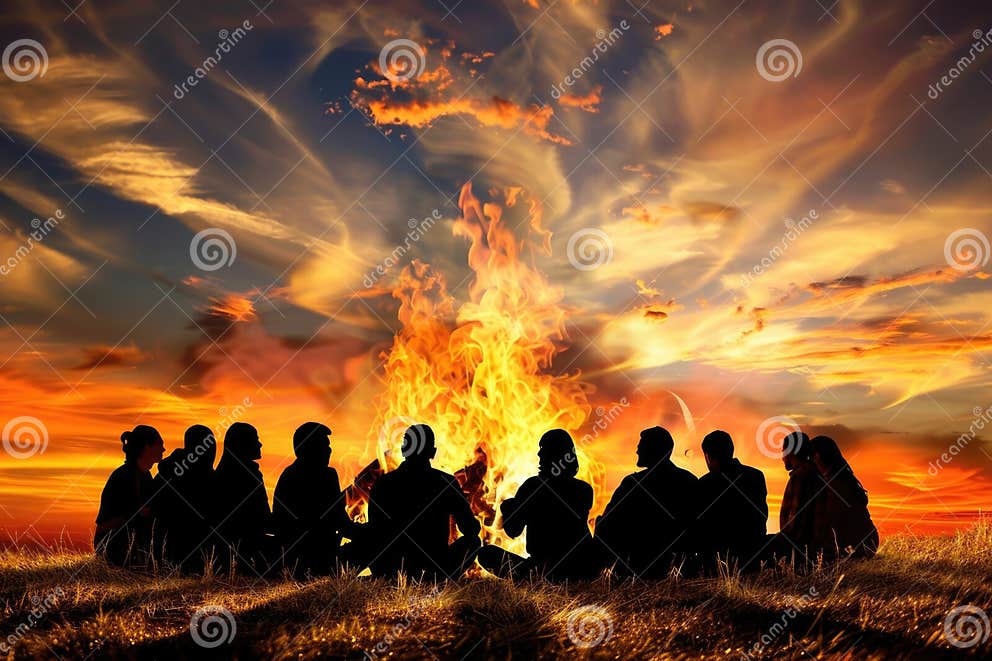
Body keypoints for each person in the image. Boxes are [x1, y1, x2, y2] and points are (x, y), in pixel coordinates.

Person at [360, 424, 481, 579]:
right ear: (433, 452)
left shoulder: (383, 483)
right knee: (473, 542)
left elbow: (374, 530)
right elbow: (470, 529)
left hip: (391, 568)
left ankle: (387, 576)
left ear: (403, 449)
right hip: (434, 568)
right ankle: (437, 580)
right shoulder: (446, 482)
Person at [478, 429, 600, 581]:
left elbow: (513, 530)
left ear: (554, 455)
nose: (539, 455)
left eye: (544, 450)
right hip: (583, 570)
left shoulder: (533, 486)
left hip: (545, 571)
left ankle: (532, 580)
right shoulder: (584, 489)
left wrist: (507, 507)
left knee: (487, 554)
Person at [595, 426, 698, 578]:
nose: (637, 451)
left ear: (653, 450)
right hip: (680, 569)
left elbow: (607, 525)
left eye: (641, 447)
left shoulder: (632, 484)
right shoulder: (689, 480)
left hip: (636, 568)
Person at [272, 422, 358, 578]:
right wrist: (362, 534)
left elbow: (332, 512)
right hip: (315, 559)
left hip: (297, 559)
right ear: (308, 448)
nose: (329, 450)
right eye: (324, 445)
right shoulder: (325, 476)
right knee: (372, 546)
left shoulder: (289, 474)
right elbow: (335, 517)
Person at [694, 430, 768, 571]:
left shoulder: (705, 483)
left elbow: (700, 525)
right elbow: (761, 516)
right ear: (731, 450)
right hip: (751, 554)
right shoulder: (755, 476)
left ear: (707, 456)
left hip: (715, 561)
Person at [95, 425, 165, 568]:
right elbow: (130, 517)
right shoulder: (126, 475)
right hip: (116, 548)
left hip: (128, 546)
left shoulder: (143, 474)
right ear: (146, 446)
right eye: (160, 444)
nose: (163, 449)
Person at [153, 424, 217, 572]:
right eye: (208, 444)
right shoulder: (209, 480)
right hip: (181, 555)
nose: (212, 450)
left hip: (167, 555)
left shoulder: (166, 473)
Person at [213, 422, 272, 575]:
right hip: (249, 552)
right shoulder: (250, 476)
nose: (260, 443)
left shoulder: (221, 473)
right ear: (243, 444)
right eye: (255, 439)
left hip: (227, 553)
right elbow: (263, 519)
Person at [810, 435, 879, 559]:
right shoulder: (842, 477)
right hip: (868, 541)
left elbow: (834, 522)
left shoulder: (834, 483)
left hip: (855, 546)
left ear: (817, 456)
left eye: (810, 456)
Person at [767, 431, 830, 564]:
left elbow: (796, 524)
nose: (782, 457)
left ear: (791, 452)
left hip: (799, 549)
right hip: (811, 548)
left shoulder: (800, 477)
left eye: (783, 451)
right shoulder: (816, 474)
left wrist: (781, 543)